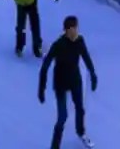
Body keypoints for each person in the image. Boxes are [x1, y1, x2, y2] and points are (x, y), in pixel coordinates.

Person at [39, 16, 98, 148]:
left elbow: (86, 57)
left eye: (77, 28)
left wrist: (93, 74)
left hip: (75, 80)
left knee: (80, 108)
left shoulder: (80, 41)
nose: (76, 32)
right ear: (66, 30)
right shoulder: (58, 45)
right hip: (60, 82)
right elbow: (45, 66)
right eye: (73, 30)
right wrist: (41, 88)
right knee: (62, 117)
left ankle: (81, 132)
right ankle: (55, 146)